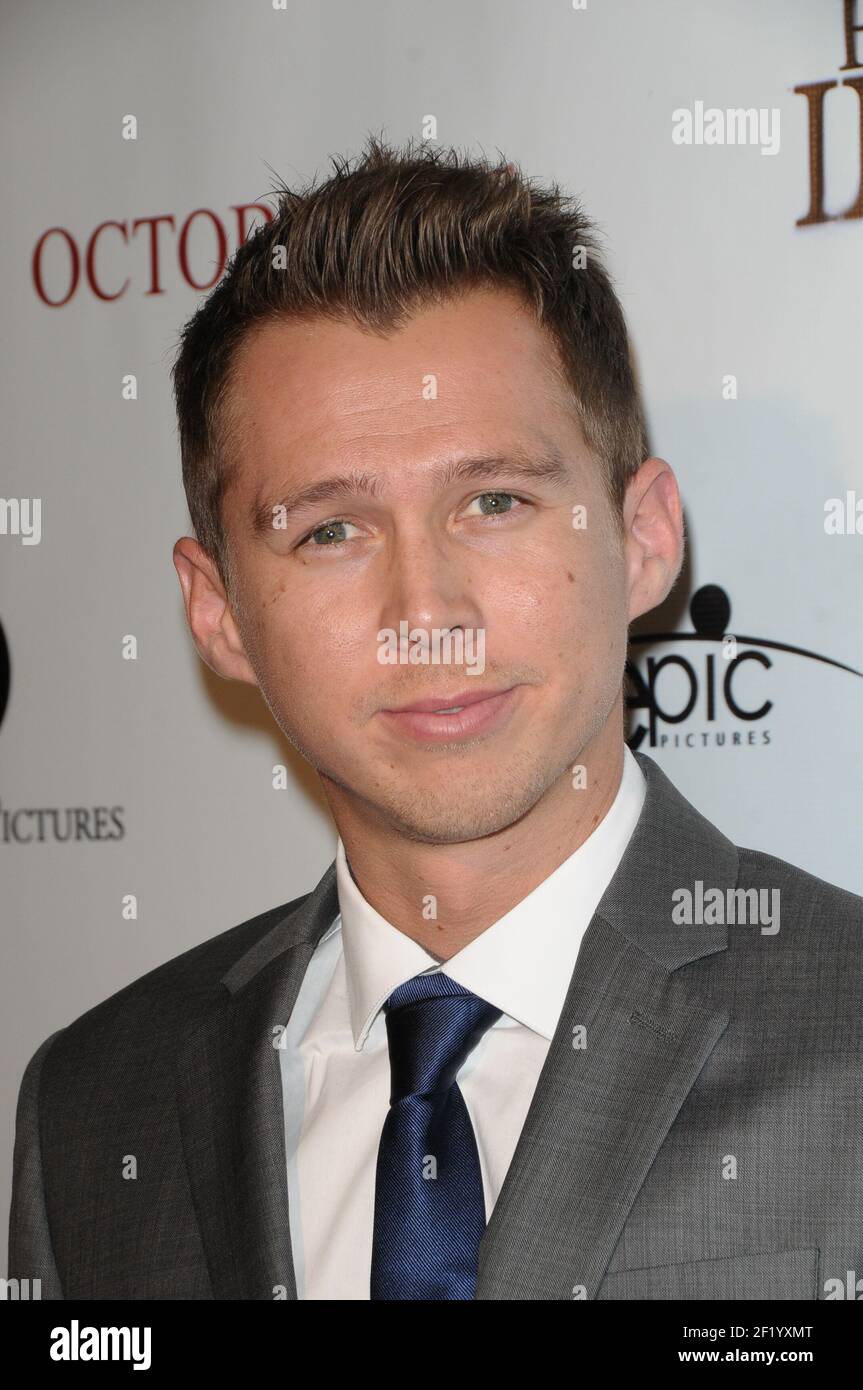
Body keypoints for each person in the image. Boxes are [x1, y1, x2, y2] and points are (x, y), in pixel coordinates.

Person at [8, 137, 862, 1300]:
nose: (426, 614)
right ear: (217, 614)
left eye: (495, 501)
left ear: (643, 536)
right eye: (329, 531)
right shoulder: (93, 1102)